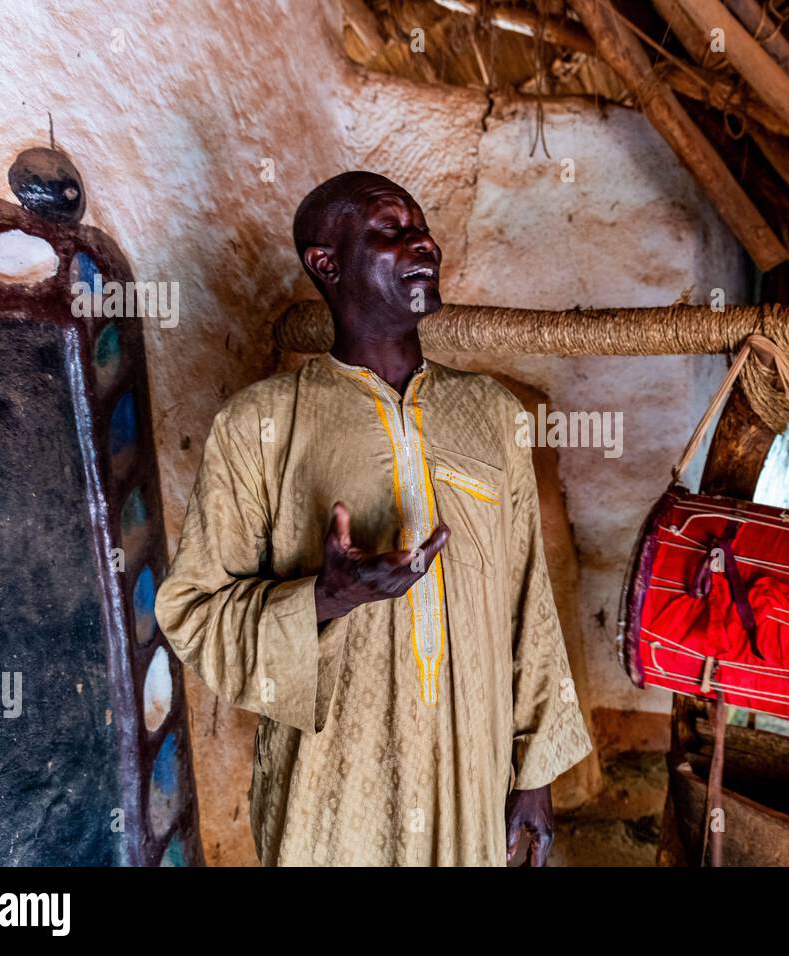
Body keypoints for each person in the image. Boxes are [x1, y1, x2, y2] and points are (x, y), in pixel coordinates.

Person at [155, 171, 592, 866]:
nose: (424, 242)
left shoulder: (491, 413)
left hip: (469, 778)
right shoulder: (259, 424)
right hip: (328, 788)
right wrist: (325, 598)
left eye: (421, 227)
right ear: (325, 264)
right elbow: (194, 612)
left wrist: (533, 777)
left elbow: (528, 603)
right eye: (392, 230)